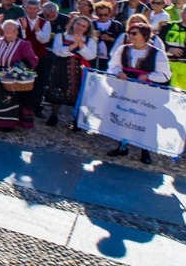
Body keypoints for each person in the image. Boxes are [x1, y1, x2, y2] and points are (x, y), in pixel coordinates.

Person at [106, 21, 171, 163]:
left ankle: (145, 150)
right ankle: (122, 146)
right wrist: (118, 72)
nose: (131, 36)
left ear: (145, 35)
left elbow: (165, 75)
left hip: (146, 91)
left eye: (134, 33)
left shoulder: (157, 53)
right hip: (126, 88)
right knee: (125, 115)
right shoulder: (123, 49)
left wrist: (149, 76)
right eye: (129, 33)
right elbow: (112, 66)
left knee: (145, 118)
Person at [43, 15, 97, 129]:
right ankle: (53, 115)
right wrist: (73, 46)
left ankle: (76, 120)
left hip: (80, 68)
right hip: (61, 66)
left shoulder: (90, 40)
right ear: (73, 24)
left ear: (87, 29)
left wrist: (81, 45)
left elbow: (90, 56)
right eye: (78, 24)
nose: (80, 27)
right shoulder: (61, 36)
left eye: (83, 26)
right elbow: (57, 51)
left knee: (79, 93)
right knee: (58, 89)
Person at [0, 19, 40, 130]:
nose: (8, 30)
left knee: (8, 100)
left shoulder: (23, 45)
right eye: (6, 28)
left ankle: (7, 124)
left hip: (11, 78)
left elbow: (33, 60)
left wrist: (19, 69)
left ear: (17, 31)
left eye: (11, 28)